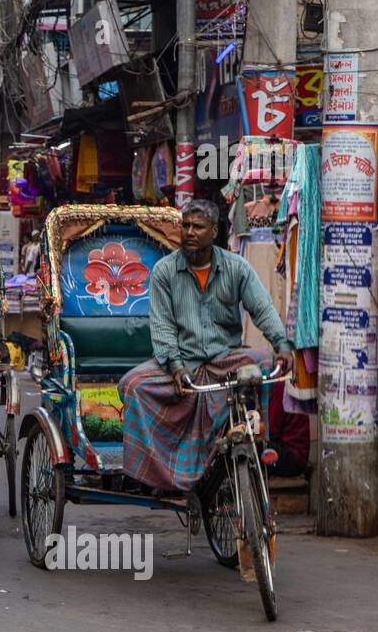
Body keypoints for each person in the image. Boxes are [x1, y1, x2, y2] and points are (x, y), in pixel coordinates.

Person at [118, 198, 295, 493]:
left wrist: (282, 343)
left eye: (197, 227)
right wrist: (174, 367)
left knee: (264, 361)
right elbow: (161, 326)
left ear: (214, 231)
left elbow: (262, 309)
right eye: (185, 225)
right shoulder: (164, 271)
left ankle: (255, 441)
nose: (189, 232)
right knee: (132, 385)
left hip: (225, 359)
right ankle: (159, 473)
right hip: (181, 363)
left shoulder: (236, 267)